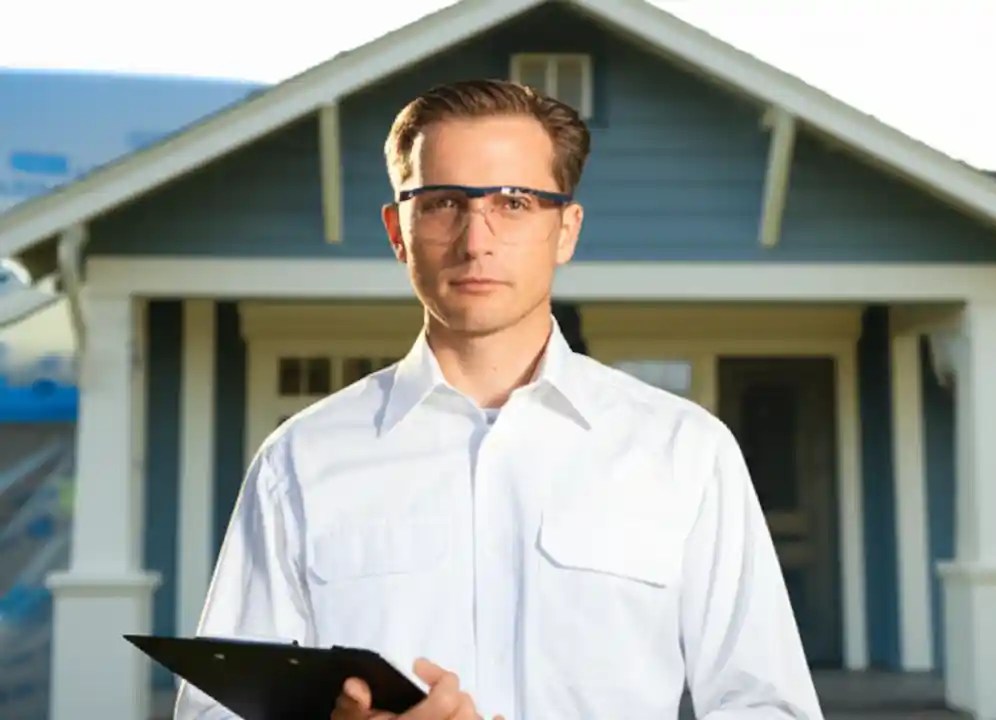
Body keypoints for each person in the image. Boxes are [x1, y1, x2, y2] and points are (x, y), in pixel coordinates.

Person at [173, 78, 823, 720]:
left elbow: (768, 706)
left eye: (513, 202)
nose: (475, 240)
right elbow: (213, 712)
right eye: (442, 202)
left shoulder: (686, 452)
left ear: (565, 230)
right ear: (398, 230)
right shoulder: (300, 462)